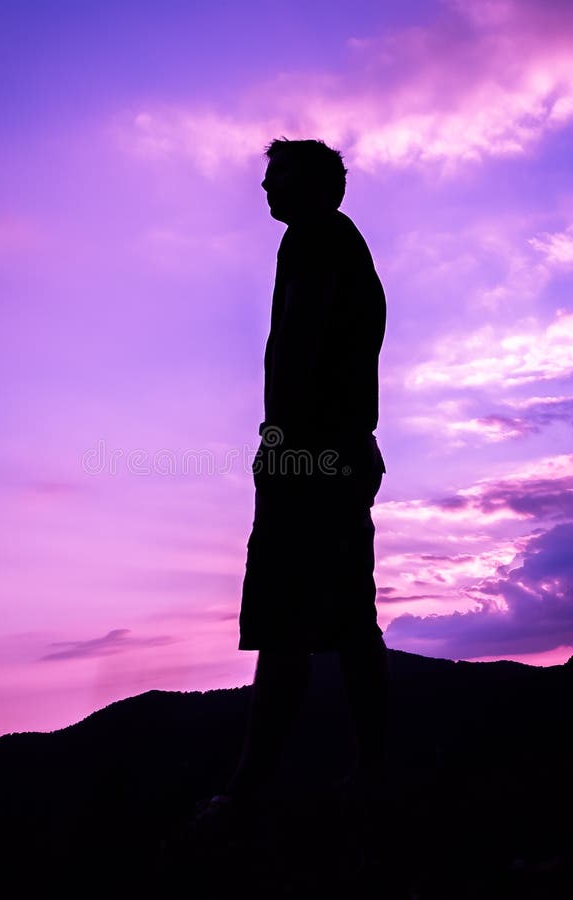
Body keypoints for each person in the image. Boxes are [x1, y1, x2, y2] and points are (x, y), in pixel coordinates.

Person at [191, 137, 390, 843]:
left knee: (285, 622)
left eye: (275, 179)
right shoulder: (336, 243)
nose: (265, 190)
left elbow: (300, 350)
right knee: (344, 622)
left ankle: (249, 795)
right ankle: (374, 772)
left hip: (310, 458)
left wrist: (278, 450)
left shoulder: (313, 242)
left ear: (309, 186)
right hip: (337, 455)